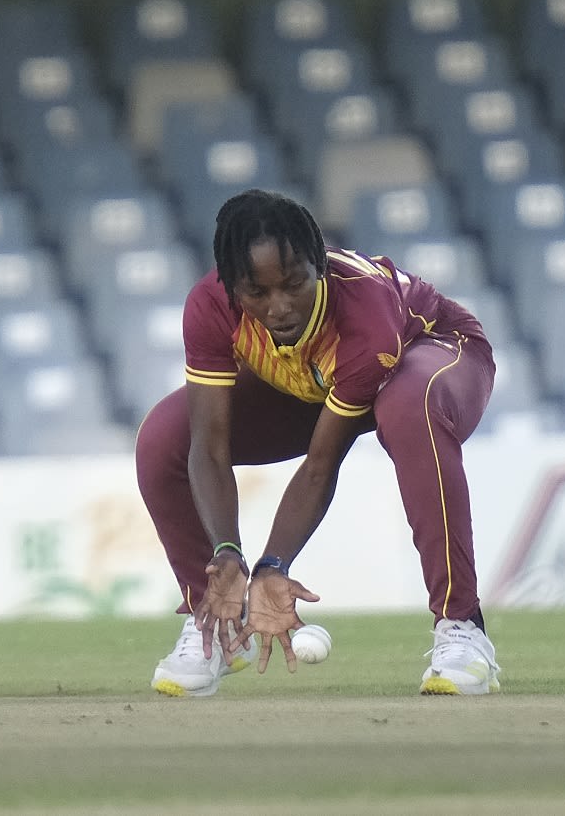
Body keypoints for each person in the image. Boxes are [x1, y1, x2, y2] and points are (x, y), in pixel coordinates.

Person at [137, 188, 501, 696]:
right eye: (257, 293)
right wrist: (229, 555)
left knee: (408, 406)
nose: (280, 307)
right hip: (311, 382)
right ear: (231, 285)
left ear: (320, 267)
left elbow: (320, 465)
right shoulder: (209, 305)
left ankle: (461, 627)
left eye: (294, 284)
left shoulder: (363, 315)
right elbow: (209, 448)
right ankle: (217, 624)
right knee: (163, 437)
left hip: (431, 351)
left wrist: (273, 565)